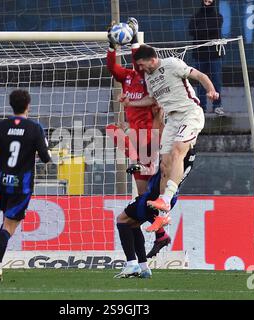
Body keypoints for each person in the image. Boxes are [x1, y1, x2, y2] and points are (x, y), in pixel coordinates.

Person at [129, 45, 219, 232]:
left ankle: (165, 199)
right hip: (172, 119)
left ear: (152, 60)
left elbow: (201, 76)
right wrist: (131, 102)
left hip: (189, 113)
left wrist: (211, 90)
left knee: (178, 151)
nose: (141, 68)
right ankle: (162, 217)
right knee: (164, 166)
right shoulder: (149, 77)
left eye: (142, 64)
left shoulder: (173, 64)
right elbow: (153, 100)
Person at [0, 89, 52, 283]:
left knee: (7, 224)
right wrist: (43, 149)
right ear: (28, 105)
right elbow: (46, 158)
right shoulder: (34, 128)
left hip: (4, 181)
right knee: (9, 226)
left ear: (11, 105)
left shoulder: (1, 126)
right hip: (22, 185)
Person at [106, 18, 171, 257]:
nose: (140, 67)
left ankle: (159, 235)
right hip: (136, 141)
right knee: (142, 195)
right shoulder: (127, 77)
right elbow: (113, 69)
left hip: (149, 140)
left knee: (145, 195)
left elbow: (157, 113)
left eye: (141, 63)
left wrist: (133, 40)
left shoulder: (148, 80)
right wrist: (112, 46)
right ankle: (160, 236)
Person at [114, 148, 196, 278]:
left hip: (154, 197)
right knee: (133, 224)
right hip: (168, 196)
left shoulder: (176, 151)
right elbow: (165, 173)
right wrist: (143, 170)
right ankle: (144, 267)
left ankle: (132, 264)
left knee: (122, 220)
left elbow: (165, 172)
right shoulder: (187, 154)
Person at [188, 0, 225, 116]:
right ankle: (201, 107)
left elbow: (213, 29)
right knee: (200, 82)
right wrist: (206, 31)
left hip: (215, 55)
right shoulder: (196, 16)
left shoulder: (218, 16)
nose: (207, 1)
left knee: (216, 81)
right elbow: (192, 31)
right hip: (200, 54)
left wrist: (201, 31)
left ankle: (217, 106)